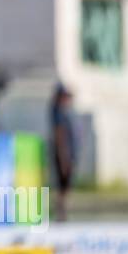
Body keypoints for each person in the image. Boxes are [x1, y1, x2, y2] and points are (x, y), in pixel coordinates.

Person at [50, 83, 77, 222]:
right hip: (64, 155)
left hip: (66, 154)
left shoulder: (62, 112)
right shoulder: (58, 114)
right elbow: (60, 137)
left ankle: (62, 213)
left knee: (65, 186)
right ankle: (61, 213)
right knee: (63, 186)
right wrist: (64, 158)